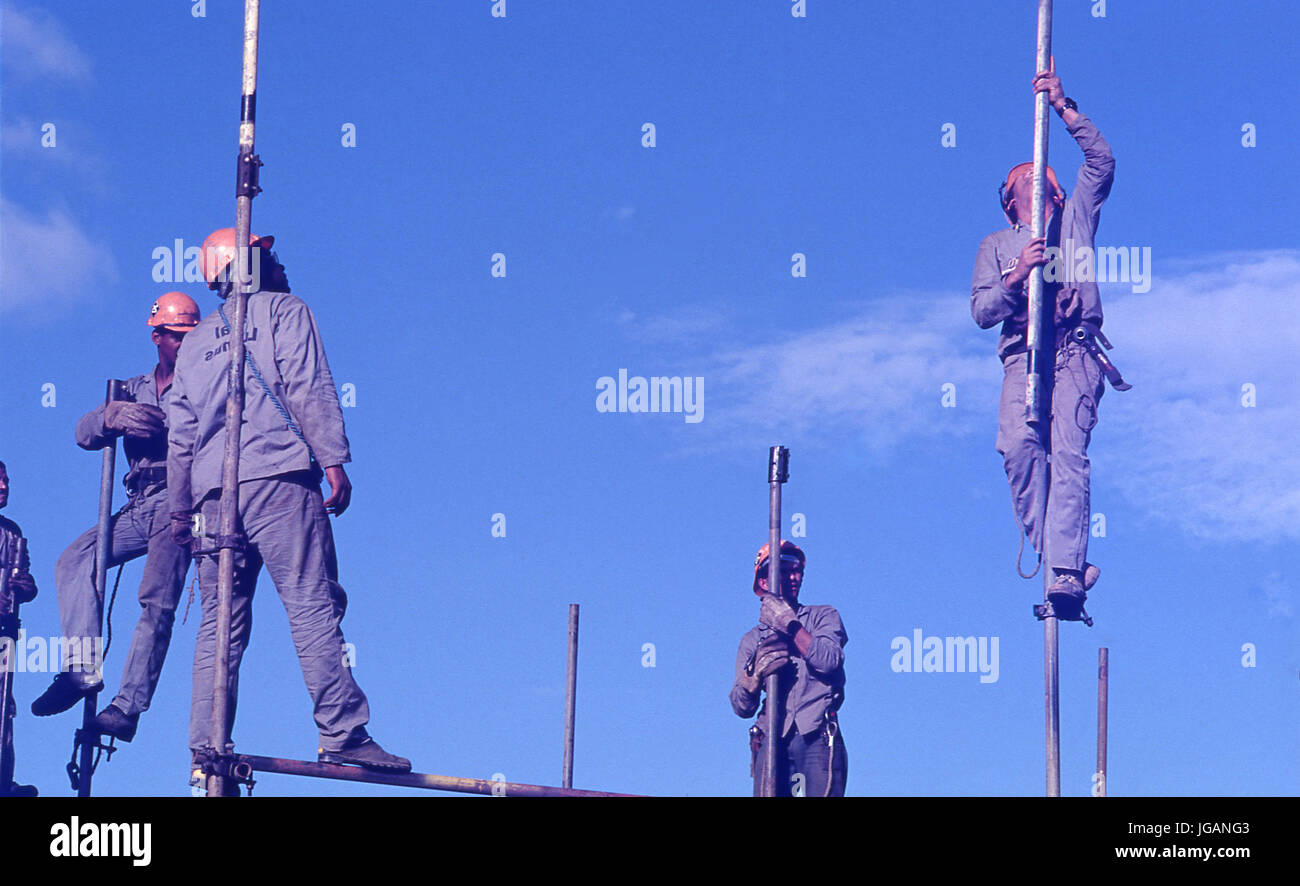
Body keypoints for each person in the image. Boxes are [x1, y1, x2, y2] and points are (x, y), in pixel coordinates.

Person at [167, 227, 409, 773]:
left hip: (211, 497)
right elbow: (307, 384)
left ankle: (205, 749)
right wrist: (333, 459)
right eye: (269, 255)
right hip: (277, 476)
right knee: (311, 602)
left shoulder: (196, 344)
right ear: (249, 261)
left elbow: (179, 436)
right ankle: (342, 732)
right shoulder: (284, 311)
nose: (280, 264)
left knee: (218, 625)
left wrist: (181, 511)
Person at [969, 61, 1117, 620]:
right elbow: (982, 310)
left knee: (1068, 455)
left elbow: (1101, 162)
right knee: (1019, 451)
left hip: (1075, 350)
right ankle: (1063, 558)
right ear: (1010, 202)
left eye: (1041, 176)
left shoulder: (1076, 219)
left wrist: (1064, 107)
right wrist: (1015, 279)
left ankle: (1063, 575)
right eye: (1022, 180)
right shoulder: (997, 244)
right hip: (1022, 356)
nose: (1034, 181)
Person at [30, 295, 198, 743]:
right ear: (157, 336)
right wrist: (110, 417)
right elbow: (82, 433)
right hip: (140, 500)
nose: (185, 345)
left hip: (182, 496)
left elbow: (223, 436)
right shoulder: (133, 387)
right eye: (177, 337)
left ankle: (127, 707)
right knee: (74, 560)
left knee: (156, 599)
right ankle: (82, 669)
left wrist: (166, 428)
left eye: (191, 336)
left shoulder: (206, 384)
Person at [730, 541, 847, 797]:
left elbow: (828, 661)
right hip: (772, 737)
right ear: (764, 582)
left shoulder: (822, 617)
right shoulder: (753, 640)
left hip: (815, 733)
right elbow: (741, 706)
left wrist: (789, 625)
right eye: (783, 570)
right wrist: (753, 676)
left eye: (796, 570)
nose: (794, 577)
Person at [0, 460, 40, 795]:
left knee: (3, 709)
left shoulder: (12, 533)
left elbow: (26, 582)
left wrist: (26, 586)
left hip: (3, 637)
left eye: (5, 481)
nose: (3, 487)